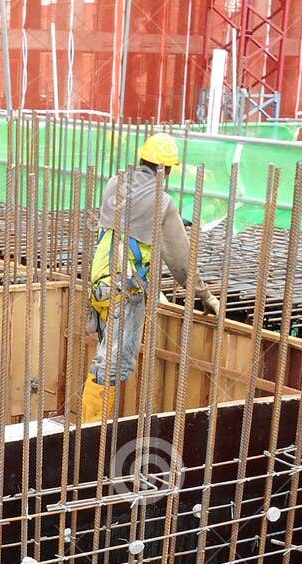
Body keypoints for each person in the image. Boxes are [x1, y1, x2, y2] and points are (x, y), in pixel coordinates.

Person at [82, 134, 222, 424]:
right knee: (113, 365)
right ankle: (92, 431)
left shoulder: (115, 183)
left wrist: (169, 219)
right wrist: (205, 295)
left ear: (141, 159)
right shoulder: (163, 201)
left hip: (100, 284)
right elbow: (181, 262)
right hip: (125, 290)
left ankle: (91, 428)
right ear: (167, 170)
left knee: (105, 357)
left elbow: (131, 215)